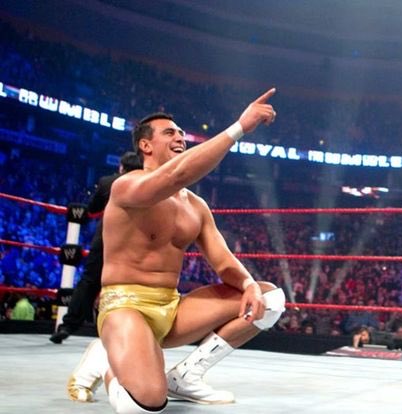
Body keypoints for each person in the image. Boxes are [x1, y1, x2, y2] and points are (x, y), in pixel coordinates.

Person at [67, 89, 285, 413]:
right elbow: (177, 174)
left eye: (181, 133)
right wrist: (239, 128)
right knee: (144, 404)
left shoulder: (196, 206)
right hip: (125, 306)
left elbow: (223, 261)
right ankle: (106, 361)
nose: (180, 137)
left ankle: (185, 376)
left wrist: (249, 284)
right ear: (145, 145)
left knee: (269, 300)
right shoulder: (127, 187)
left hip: (172, 308)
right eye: (169, 132)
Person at [50, 152, 142, 344]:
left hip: (106, 240)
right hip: (136, 242)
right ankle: (131, 331)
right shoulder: (146, 184)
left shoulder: (108, 182)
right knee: (132, 284)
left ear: (121, 167)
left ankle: (68, 326)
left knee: (89, 281)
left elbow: (93, 208)